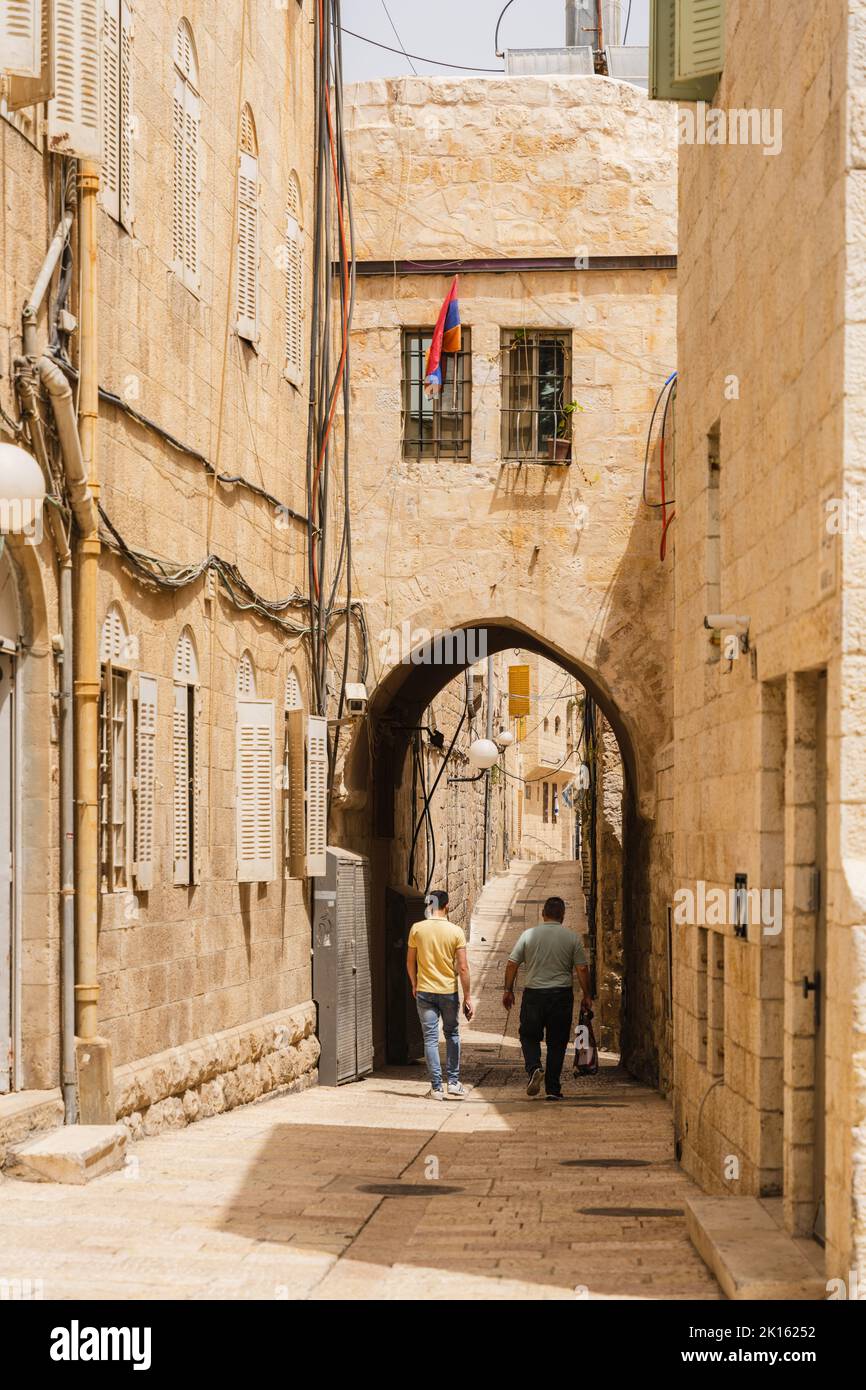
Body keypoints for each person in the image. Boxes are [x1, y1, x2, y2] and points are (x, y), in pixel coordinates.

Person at [502, 895, 591, 1100]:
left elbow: (511, 963)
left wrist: (508, 990)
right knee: (557, 1042)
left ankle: (534, 1067)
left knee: (528, 1035)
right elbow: (582, 969)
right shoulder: (571, 938)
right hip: (561, 996)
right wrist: (587, 995)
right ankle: (553, 1089)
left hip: (534, 995)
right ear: (563, 916)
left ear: (543, 914)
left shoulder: (528, 935)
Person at [407, 889, 475, 1100]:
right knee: (452, 1034)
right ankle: (453, 1083)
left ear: (429, 906)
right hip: (448, 991)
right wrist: (468, 996)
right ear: (446, 906)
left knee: (430, 1039)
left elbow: (410, 961)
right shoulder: (455, 932)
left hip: (425, 991)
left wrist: (414, 983)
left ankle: (436, 1087)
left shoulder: (417, 929)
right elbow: (463, 967)